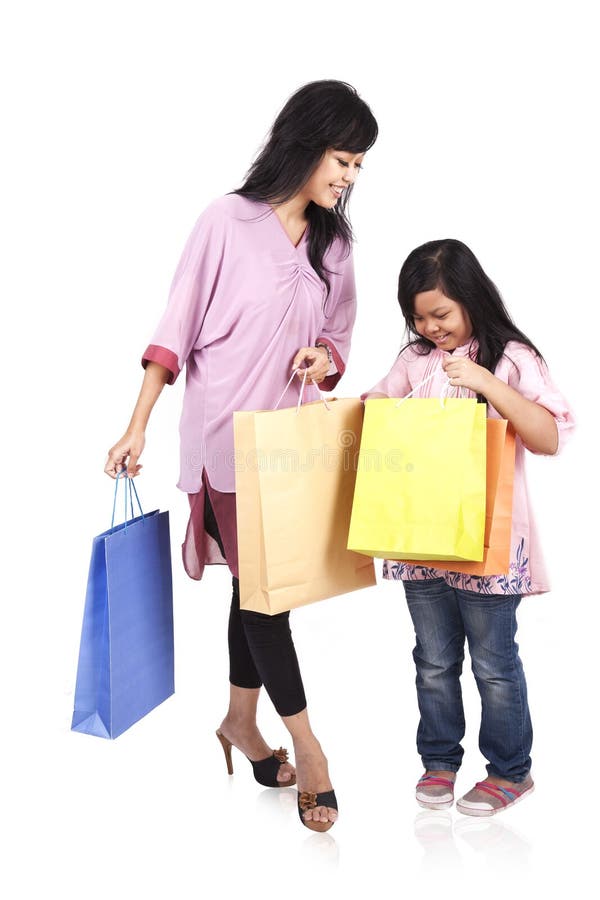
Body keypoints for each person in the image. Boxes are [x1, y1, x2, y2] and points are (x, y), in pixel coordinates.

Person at [104, 80, 378, 832]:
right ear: (306, 141)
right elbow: (175, 326)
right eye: (343, 159)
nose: (349, 178)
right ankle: (310, 749)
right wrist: (138, 427)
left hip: (289, 449)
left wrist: (324, 359)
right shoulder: (224, 221)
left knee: (259, 591)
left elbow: (341, 333)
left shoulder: (336, 244)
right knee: (265, 597)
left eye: (358, 167)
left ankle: (238, 723)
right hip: (223, 440)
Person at [363, 239, 574, 816]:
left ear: (471, 300)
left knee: (492, 661)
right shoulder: (414, 361)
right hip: (419, 538)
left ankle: (510, 770)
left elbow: (549, 436)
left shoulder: (511, 358)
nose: (429, 327)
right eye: (418, 316)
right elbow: (378, 412)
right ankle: (439, 761)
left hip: (488, 540)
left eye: (441, 315)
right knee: (432, 659)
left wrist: (486, 384)